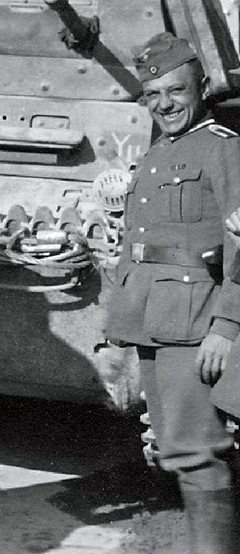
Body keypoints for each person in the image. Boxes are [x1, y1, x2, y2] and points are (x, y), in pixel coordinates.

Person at [104, 32, 240, 554]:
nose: (164, 103)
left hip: (195, 322)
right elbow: (135, 246)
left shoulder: (223, 149)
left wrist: (227, 327)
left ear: (200, 87)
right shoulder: (160, 151)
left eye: (176, 91)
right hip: (153, 319)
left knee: (198, 452)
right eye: (153, 93)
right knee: (179, 452)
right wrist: (116, 333)